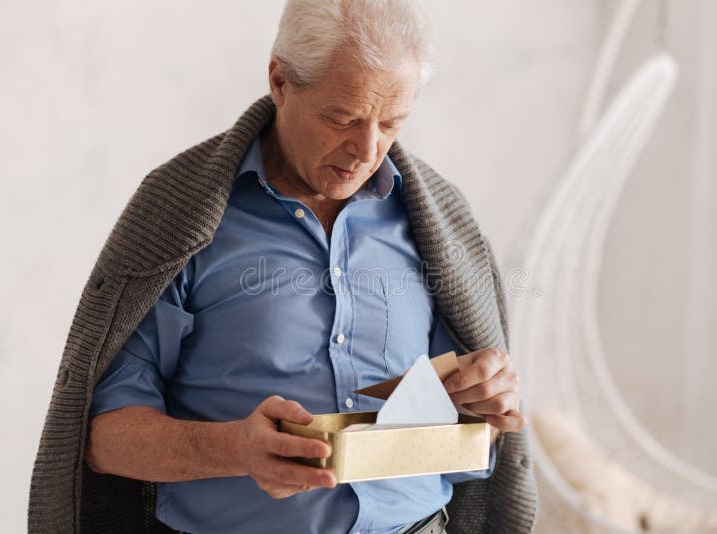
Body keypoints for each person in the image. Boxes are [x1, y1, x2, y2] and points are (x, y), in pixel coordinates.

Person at [28, 1, 538, 533]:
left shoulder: (438, 222)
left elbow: (468, 439)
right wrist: (235, 449)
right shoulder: (179, 212)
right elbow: (101, 437)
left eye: (390, 123)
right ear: (280, 81)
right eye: (342, 118)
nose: (367, 150)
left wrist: (485, 407)